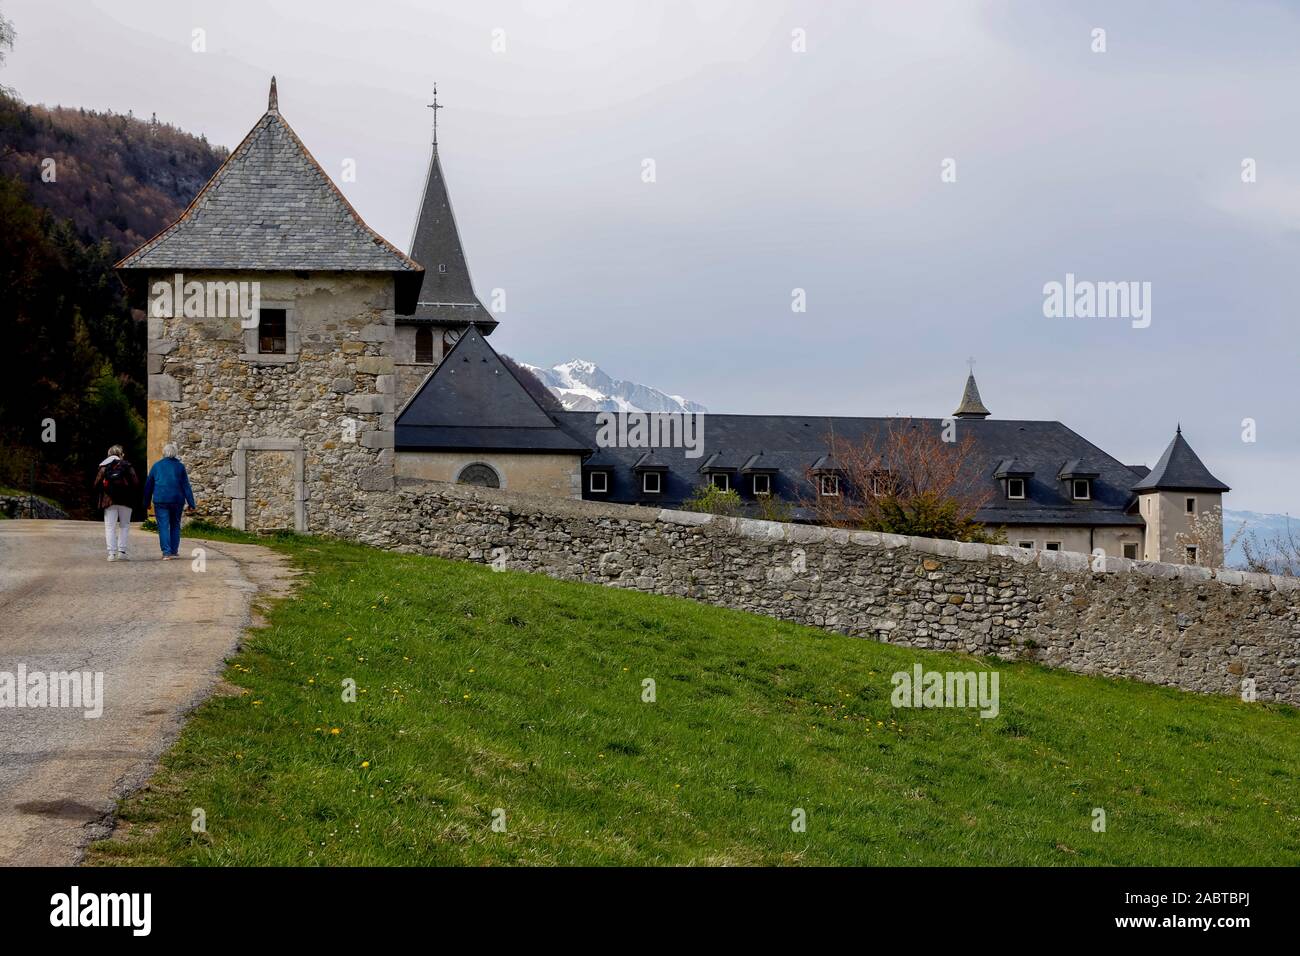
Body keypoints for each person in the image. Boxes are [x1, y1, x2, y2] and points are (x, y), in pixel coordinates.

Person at [142, 442, 197, 560]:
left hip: (161, 500)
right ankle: (174, 550)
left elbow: (148, 485)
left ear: (164, 453)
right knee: (175, 525)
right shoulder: (180, 467)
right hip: (177, 500)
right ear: (175, 453)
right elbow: (186, 486)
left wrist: (146, 503)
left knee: (163, 526)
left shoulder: (156, 466)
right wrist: (191, 503)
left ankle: (166, 553)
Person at [94, 444, 139, 562]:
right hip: (126, 500)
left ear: (109, 454)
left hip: (109, 500)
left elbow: (96, 483)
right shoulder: (127, 465)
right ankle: (122, 552)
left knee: (110, 526)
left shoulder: (104, 465)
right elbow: (135, 482)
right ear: (120, 454)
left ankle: (111, 554)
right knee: (124, 526)